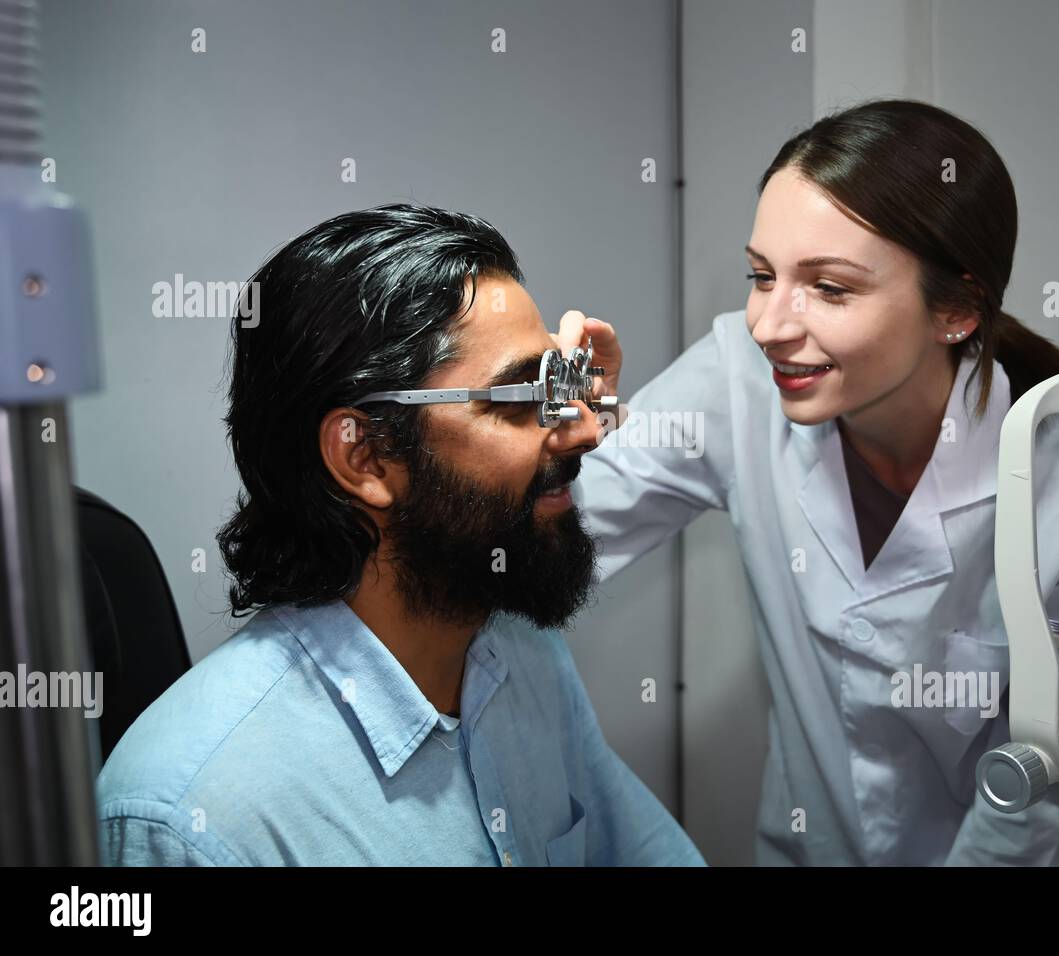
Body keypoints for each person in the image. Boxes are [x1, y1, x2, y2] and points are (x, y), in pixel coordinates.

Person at [559, 99, 1059, 865]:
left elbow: (1047, 779)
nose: (769, 324)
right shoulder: (737, 380)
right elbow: (555, 538)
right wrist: (553, 436)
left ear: (956, 308)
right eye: (761, 276)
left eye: (832, 289)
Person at [96, 204, 703, 867]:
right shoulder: (193, 815)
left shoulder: (524, 657)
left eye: (562, 386)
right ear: (365, 457)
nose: (588, 429)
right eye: (523, 397)